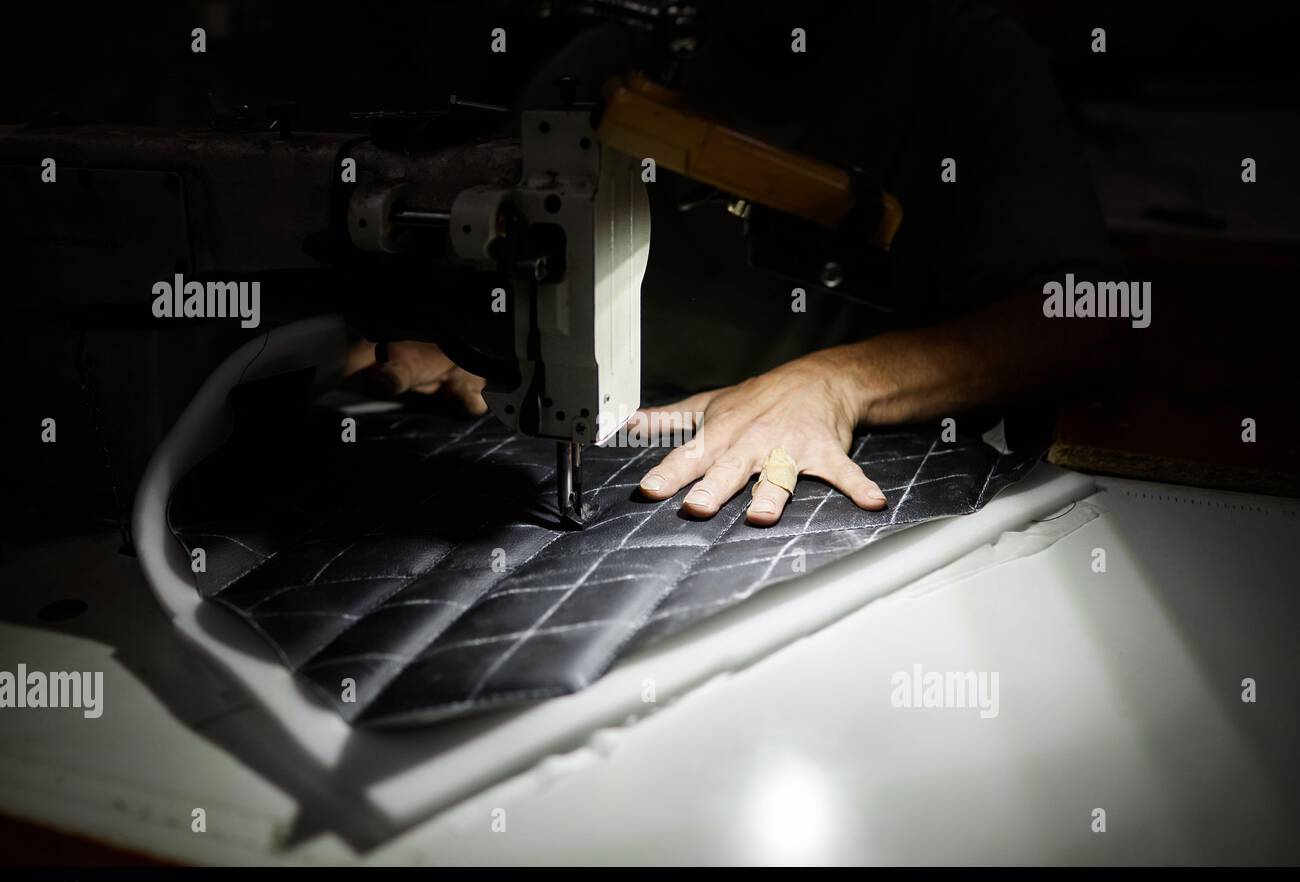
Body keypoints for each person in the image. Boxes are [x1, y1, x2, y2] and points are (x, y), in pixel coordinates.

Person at [347, 1, 1120, 526]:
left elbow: (1089, 321)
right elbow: (510, 246)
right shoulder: (604, 70)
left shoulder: (965, 58)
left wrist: (837, 381)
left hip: (847, 444)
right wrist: (480, 332)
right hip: (634, 432)